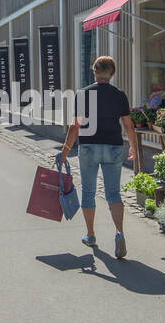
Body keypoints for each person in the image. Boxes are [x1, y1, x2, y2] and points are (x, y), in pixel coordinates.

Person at [59, 55, 140, 258]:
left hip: (88, 148)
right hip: (113, 147)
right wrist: (134, 149)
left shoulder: (83, 94)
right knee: (113, 193)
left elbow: (74, 126)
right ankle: (119, 233)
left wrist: (65, 152)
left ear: (94, 71)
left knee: (88, 191)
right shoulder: (119, 95)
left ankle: (90, 235)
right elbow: (129, 125)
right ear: (111, 73)